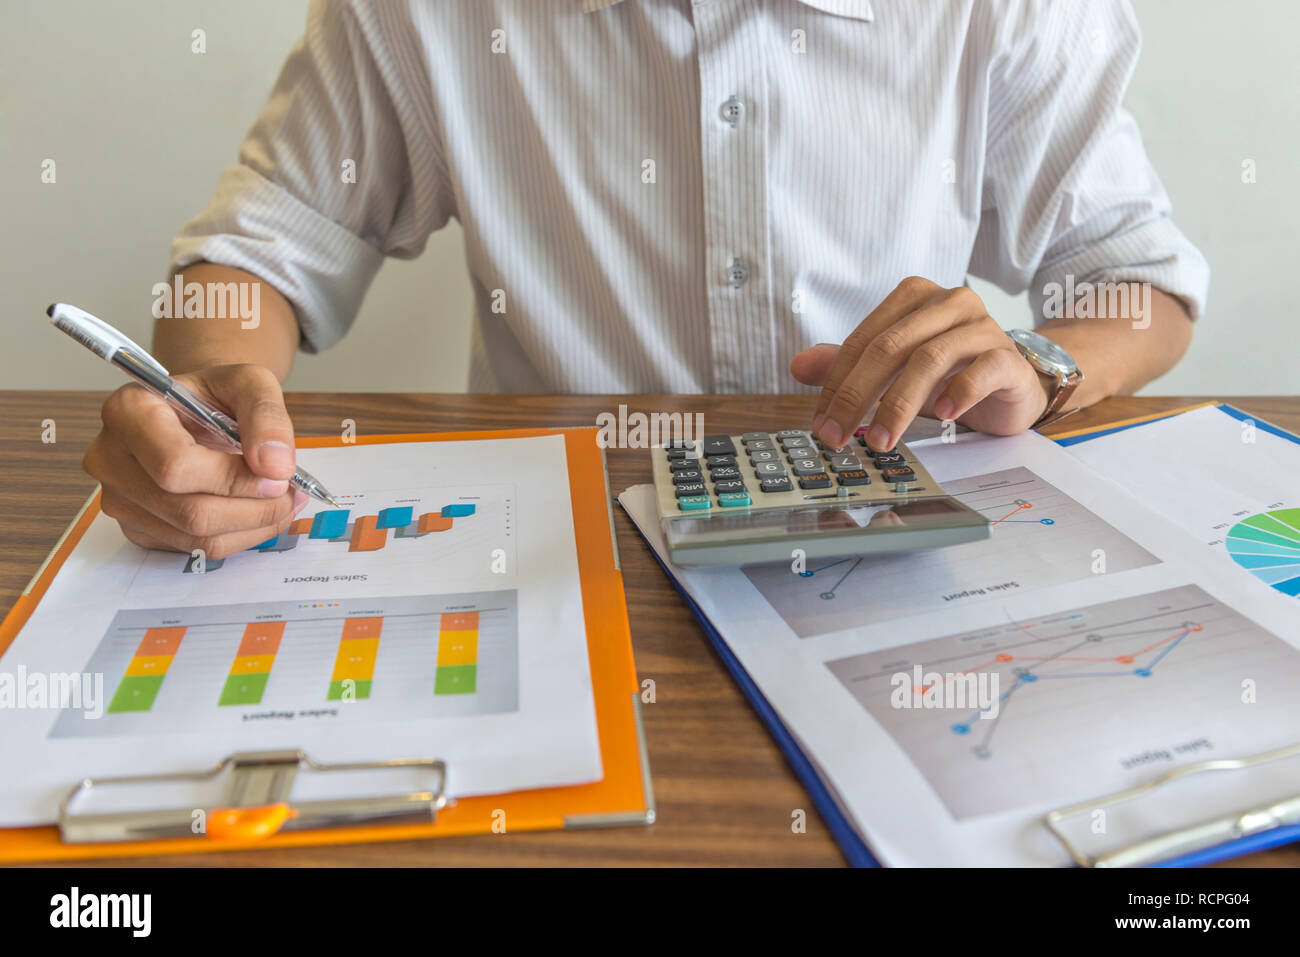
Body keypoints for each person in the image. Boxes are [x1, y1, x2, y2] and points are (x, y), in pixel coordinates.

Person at [84, 0, 1208, 559]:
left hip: (897, 535)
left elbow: (1137, 281)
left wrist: (1043, 361)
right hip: (557, 547)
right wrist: (214, 389)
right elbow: (253, 252)